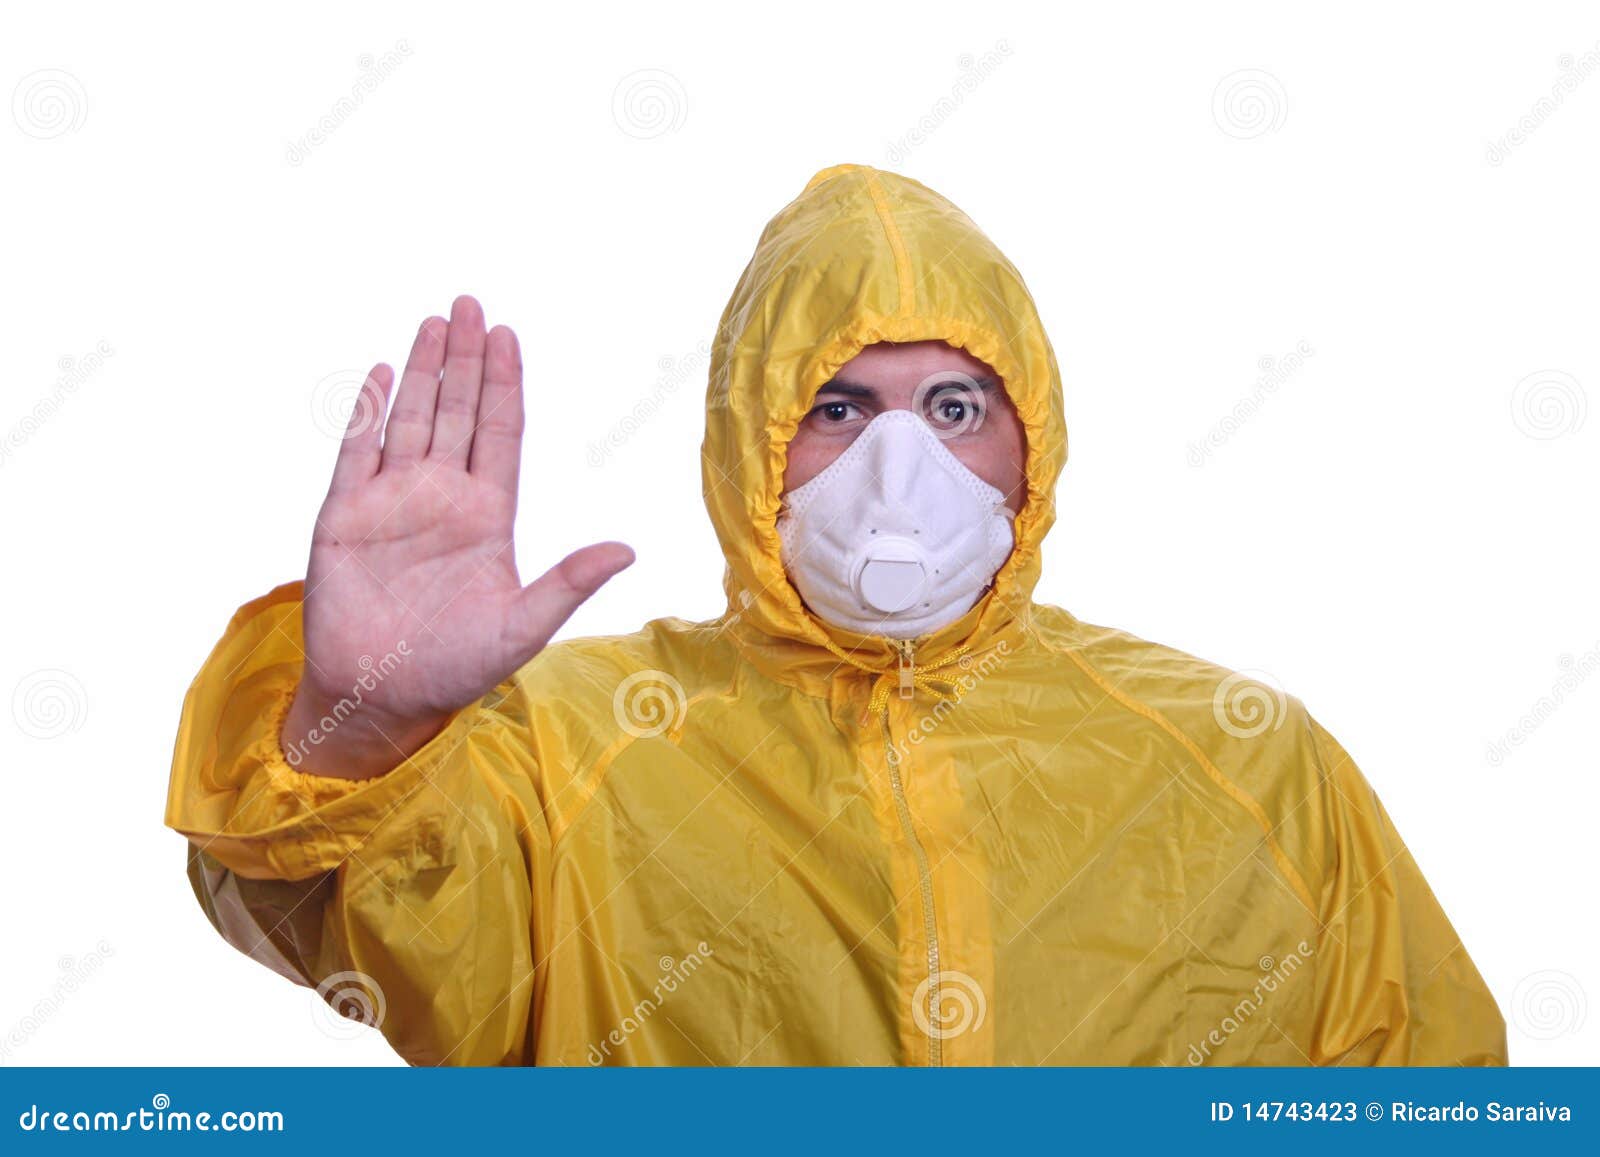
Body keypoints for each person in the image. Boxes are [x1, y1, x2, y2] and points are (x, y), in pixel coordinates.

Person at [164, 163, 1507, 1066]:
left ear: (1033, 443)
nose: (897, 468)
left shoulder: (1248, 758)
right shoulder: (552, 754)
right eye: (839, 406)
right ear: (749, 440)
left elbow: (1436, 1096)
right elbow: (346, 930)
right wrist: (366, 730)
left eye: (956, 408)